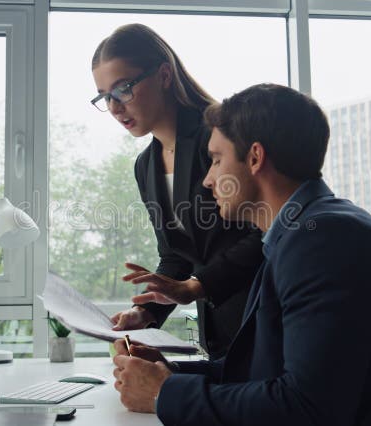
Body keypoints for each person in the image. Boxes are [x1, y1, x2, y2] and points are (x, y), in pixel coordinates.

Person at [111, 83, 371, 425]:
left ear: (255, 158)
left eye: (216, 160)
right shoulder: (298, 234)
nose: (208, 180)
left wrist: (163, 394)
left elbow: (306, 407)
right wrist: (164, 372)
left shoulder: (322, 241)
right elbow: (258, 373)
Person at [91, 24, 263, 359]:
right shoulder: (146, 165)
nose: (114, 106)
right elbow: (176, 254)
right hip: (220, 338)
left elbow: (265, 231)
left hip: (263, 317)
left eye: (123, 89)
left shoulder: (217, 139)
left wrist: (199, 285)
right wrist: (146, 312)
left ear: (164, 76)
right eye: (104, 96)